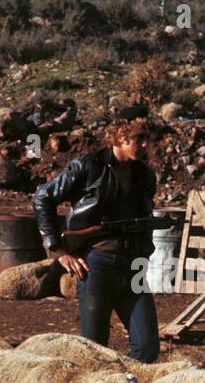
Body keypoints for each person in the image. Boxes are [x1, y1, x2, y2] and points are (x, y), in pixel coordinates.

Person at [32, 120, 160, 363]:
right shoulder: (88, 166)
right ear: (119, 136)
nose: (145, 144)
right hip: (96, 265)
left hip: (134, 267)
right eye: (138, 137)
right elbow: (42, 197)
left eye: (147, 138)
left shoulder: (144, 174)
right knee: (94, 351)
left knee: (147, 347)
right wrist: (59, 251)